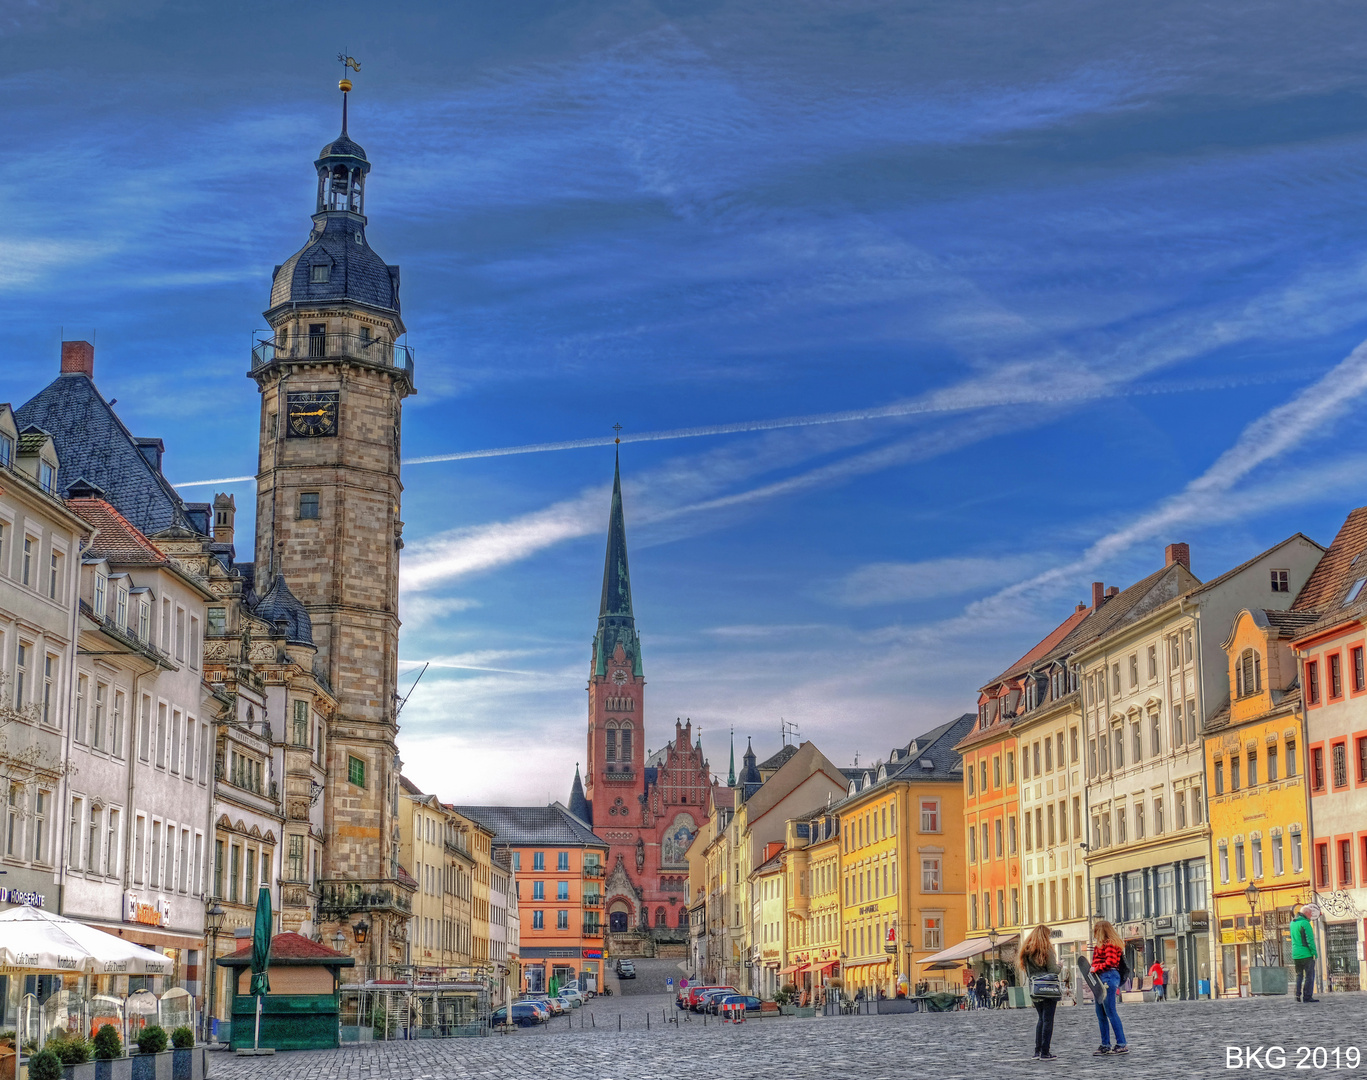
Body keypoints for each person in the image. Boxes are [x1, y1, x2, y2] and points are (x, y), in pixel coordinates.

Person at [1019, 924, 1062, 1060]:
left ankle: (1037, 1051)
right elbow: (1053, 970)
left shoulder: (1026, 951)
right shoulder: (1046, 949)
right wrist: (1059, 966)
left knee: (1041, 1019)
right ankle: (1045, 1052)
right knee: (1048, 1020)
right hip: (1048, 988)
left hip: (1035, 989)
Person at [1090, 921, 1129, 1056]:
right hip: (1101, 978)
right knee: (1101, 1014)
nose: (1094, 933)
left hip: (1109, 977)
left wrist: (1096, 968)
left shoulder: (1111, 944)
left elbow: (1111, 962)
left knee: (1111, 1012)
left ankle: (1121, 1044)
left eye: (1095, 931)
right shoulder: (1100, 946)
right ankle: (1105, 1044)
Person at [1291, 904, 1320, 1003]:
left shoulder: (1292, 923)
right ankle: (1307, 996)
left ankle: (1297, 995)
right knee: (1309, 976)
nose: (1311, 916)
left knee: (1299, 975)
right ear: (1306, 913)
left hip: (1296, 954)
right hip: (1306, 954)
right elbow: (1310, 940)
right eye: (1310, 914)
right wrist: (1314, 953)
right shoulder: (1305, 923)